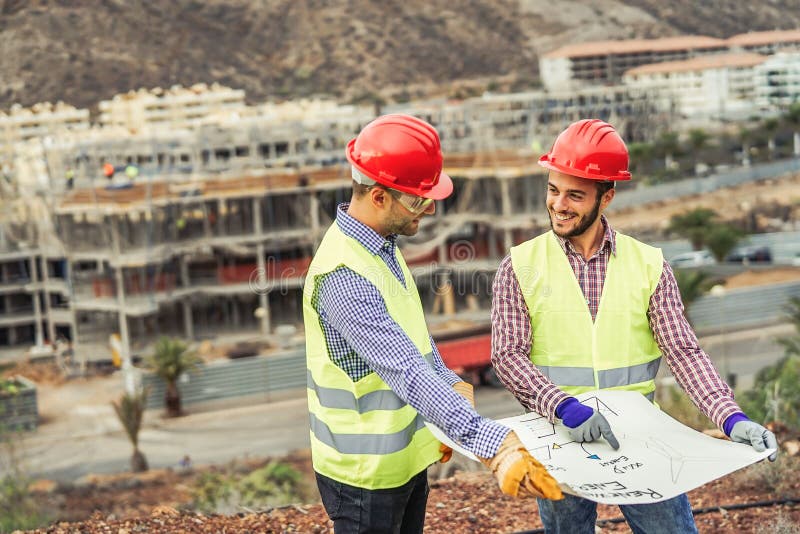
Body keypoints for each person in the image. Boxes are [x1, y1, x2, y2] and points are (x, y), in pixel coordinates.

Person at [491, 118, 778, 534]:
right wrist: (565, 408)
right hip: (558, 438)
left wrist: (731, 418)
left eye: (575, 195)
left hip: (640, 440)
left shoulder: (649, 265)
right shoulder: (519, 266)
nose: (559, 204)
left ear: (606, 197)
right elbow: (508, 356)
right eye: (553, 190)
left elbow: (683, 352)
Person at [303, 113, 562, 533]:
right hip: (365, 477)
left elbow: (415, 349)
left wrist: (451, 399)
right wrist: (490, 445)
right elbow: (403, 371)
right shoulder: (344, 277)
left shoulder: (381, 248)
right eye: (418, 199)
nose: (430, 207)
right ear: (379, 196)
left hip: (403, 462)